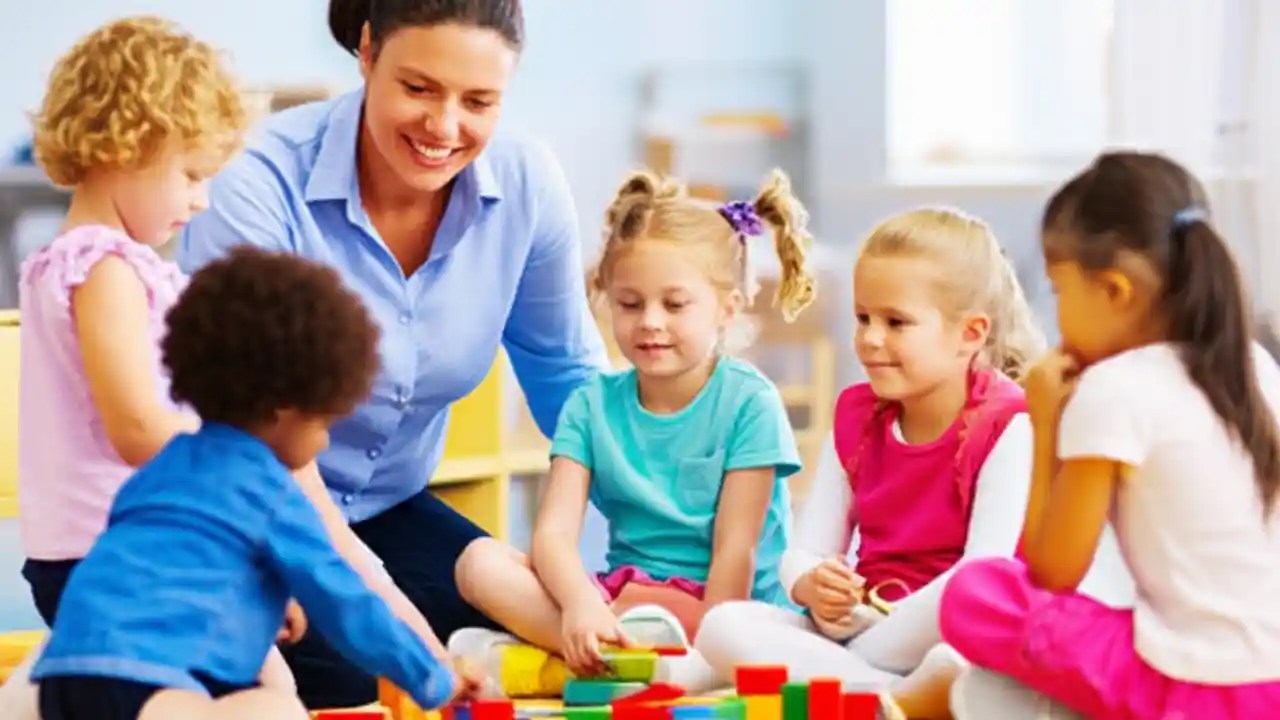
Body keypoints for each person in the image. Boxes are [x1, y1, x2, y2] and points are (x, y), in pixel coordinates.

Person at [177, 0, 609, 708]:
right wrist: (388, 611)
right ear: (368, 52)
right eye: (418, 88)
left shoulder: (526, 182)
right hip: (257, 513)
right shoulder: (256, 183)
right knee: (361, 679)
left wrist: (678, 526)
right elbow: (265, 443)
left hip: (394, 505)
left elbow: (571, 380)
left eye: (479, 101)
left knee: (562, 630)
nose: (444, 128)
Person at [31, 246, 478, 720]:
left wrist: (266, 594)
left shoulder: (164, 467)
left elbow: (159, 559)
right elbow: (345, 603)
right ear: (286, 411)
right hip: (152, 690)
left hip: (61, 677)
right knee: (276, 708)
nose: (324, 444)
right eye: (323, 424)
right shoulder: (273, 494)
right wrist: (434, 677)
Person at [7, 13, 298, 701]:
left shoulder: (84, 264)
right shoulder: (104, 267)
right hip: (120, 560)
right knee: (267, 699)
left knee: (267, 680)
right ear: (123, 147)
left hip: (109, 559)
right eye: (192, 174)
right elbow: (137, 427)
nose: (201, 200)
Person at [448, 168, 814, 697]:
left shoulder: (749, 401)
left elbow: (737, 551)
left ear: (726, 309)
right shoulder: (591, 405)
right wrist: (579, 602)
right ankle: (620, 660)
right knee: (477, 564)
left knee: (710, 623)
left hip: (723, 609)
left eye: (675, 303)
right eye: (630, 303)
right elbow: (553, 536)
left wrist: (718, 631)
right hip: (623, 603)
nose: (650, 322)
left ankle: (575, 662)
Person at [939, 152, 1280, 719]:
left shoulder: (1118, 389)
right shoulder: (1255, 366)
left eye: (1059, 291)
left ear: (1116, 291)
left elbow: (1051, 576)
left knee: (978, 593)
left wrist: (1046, 423)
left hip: (1194, 691)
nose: (1058, 316)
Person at [695, 208, 1047, 718]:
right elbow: (807, 549)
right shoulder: (858, 415)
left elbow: (982, 574)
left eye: (896, 322)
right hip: (861, 627)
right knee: (722, 626)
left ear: (969, 334)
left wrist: (864, 641)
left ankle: (862, 678)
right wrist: (812, 586)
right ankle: (897, 694)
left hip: (951, 630)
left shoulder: (1007, 422)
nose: (870, 339)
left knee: (972, 599)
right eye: (863, 318)